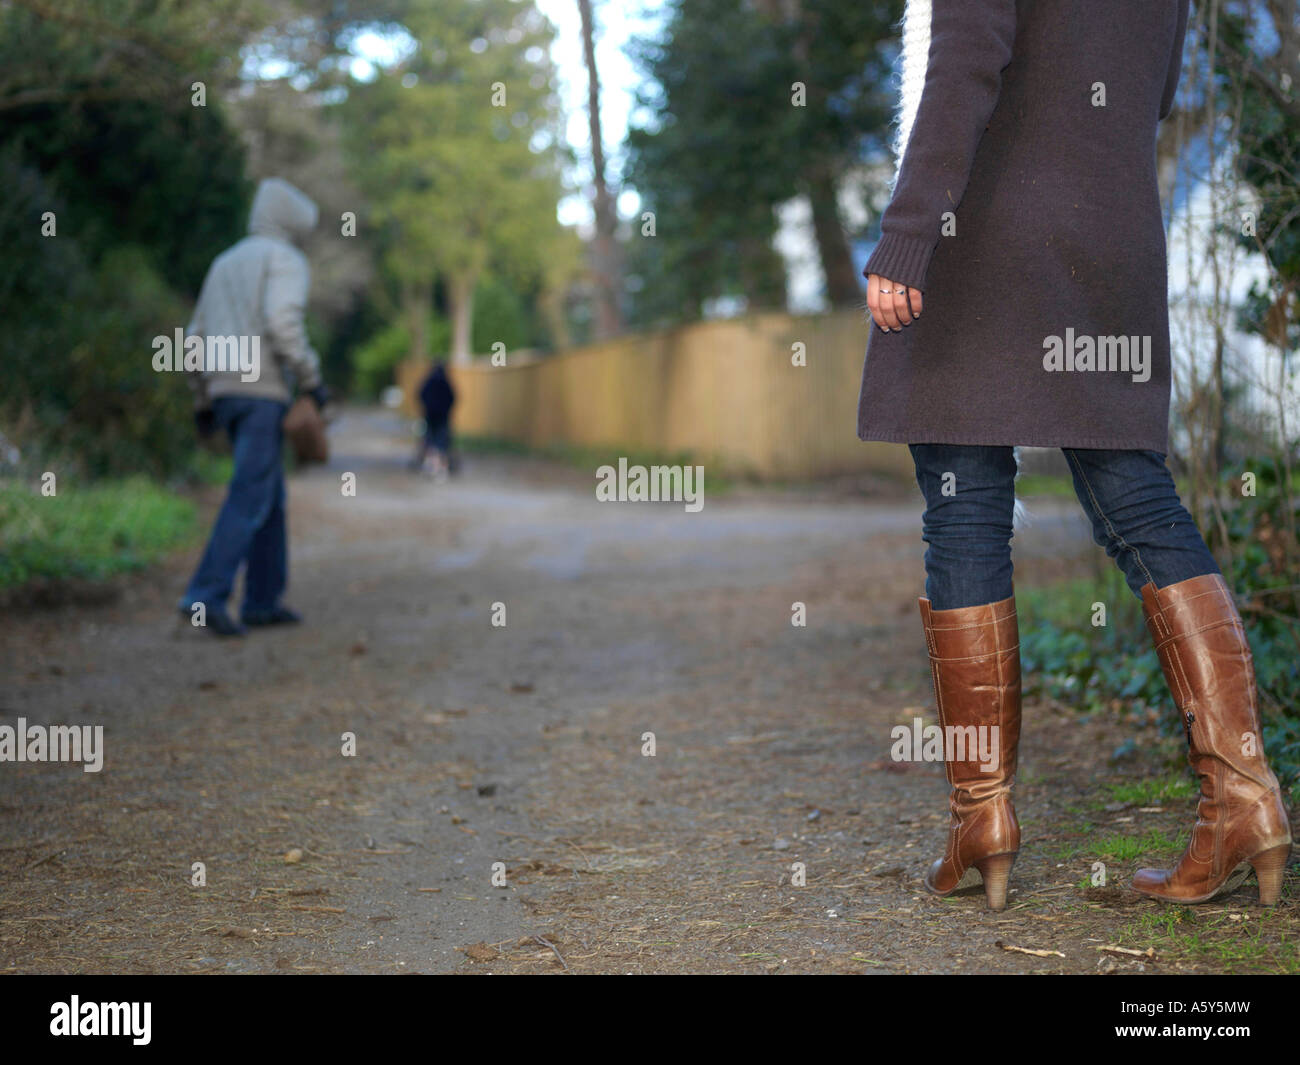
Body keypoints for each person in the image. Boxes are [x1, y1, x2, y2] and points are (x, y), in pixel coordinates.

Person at [858, 0, 1290, 911]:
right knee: (1136, 496)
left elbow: (964, 58)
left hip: (985, 232)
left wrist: (907, 232)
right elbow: (1159, 89)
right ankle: (1244, 795)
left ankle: (983, 815)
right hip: (1112, 231)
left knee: (964, 502)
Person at [180, 177, 330, 637]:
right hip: (262, 391)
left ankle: (263, 598)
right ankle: (204, 596)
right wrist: (311, 378)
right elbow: (282, 322)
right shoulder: (284, 259)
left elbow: (193, 338)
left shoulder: (224, 262)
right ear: (291, 221)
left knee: (269, 494)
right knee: (250, 493)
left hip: (224, 392)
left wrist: (202, 398)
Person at [414, 361, 456, 479]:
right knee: (442, 442)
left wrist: (427, 407)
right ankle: (441, 468)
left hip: (430, 416)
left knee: (430, 440)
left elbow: (421, 394)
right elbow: (452, 397)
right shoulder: (446, 382)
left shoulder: (429, 381)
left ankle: (430, 466)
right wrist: (446, 410)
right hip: (443, 417)